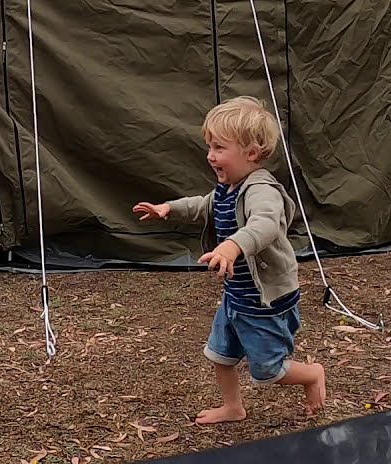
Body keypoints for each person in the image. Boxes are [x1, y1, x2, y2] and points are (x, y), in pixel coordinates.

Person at [132, 96, 326, 424]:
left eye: (219, 148)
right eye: (209, 147)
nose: (210, 156)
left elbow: (264, 225)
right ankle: (233, 407)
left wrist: (231, 247)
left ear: (251, 153)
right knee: (220, 355)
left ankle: (311, 374)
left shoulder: (262, 190)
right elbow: (203, 205)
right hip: (237, 297)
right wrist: (169, 208)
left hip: (266, 303)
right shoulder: (228, 187)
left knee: (269, 371)